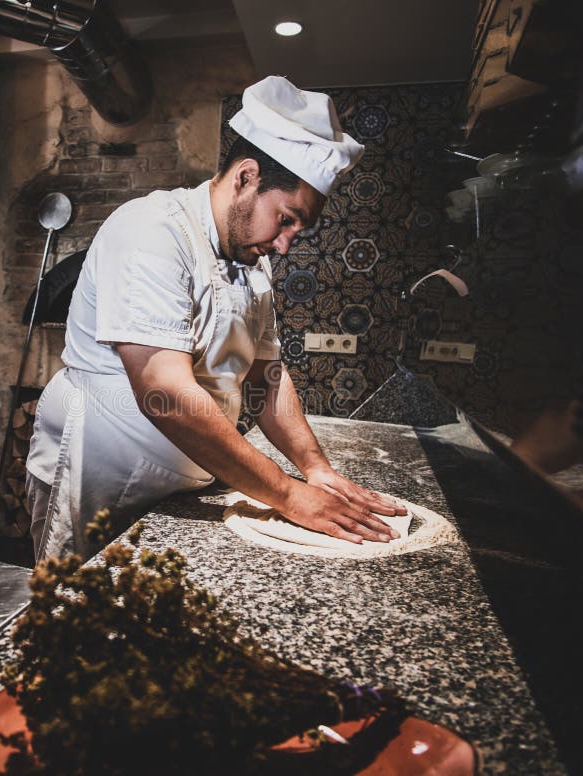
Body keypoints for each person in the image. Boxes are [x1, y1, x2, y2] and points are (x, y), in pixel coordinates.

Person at [26, 75, 406, 561]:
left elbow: (265, 378)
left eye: (298, 229)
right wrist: (288, 494)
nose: (284, 244)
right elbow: (165, 395)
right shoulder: (152, 231)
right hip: (99, 476)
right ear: (246, 177)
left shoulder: (253, 264)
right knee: (81, 604)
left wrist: (316, 469)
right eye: (285, 219)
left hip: (186, 483)